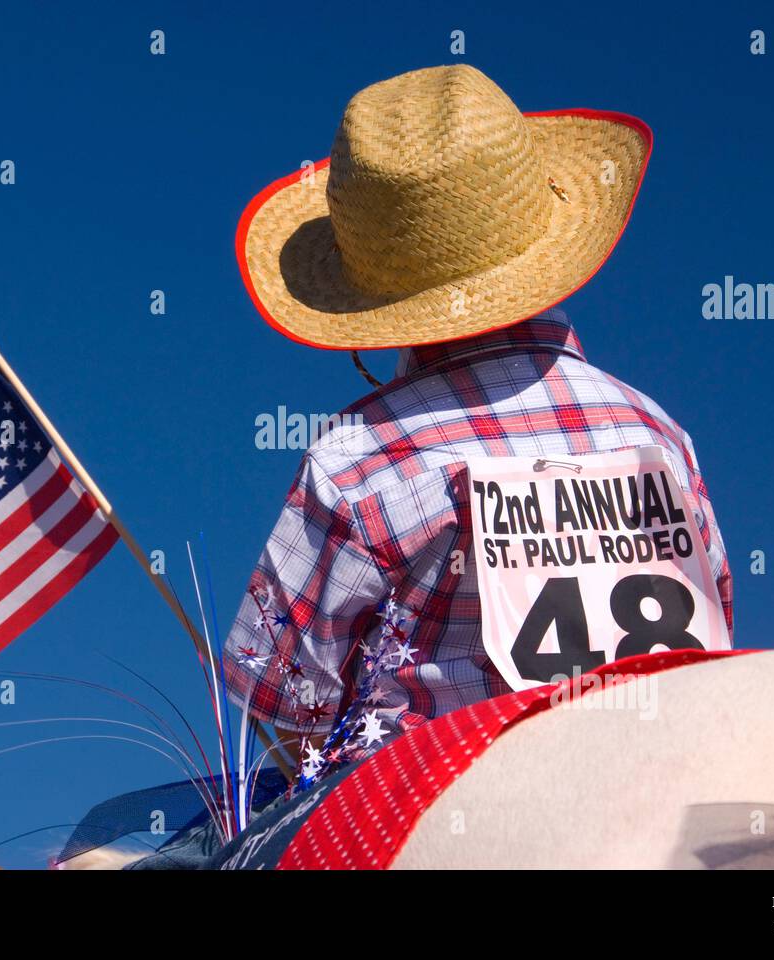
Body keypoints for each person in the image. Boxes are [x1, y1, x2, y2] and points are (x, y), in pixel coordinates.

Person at [224, 64, 732, 783]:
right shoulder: (658, 436)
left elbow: (284, 705)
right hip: (670, 803)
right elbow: (712, 642)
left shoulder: (357, 461)